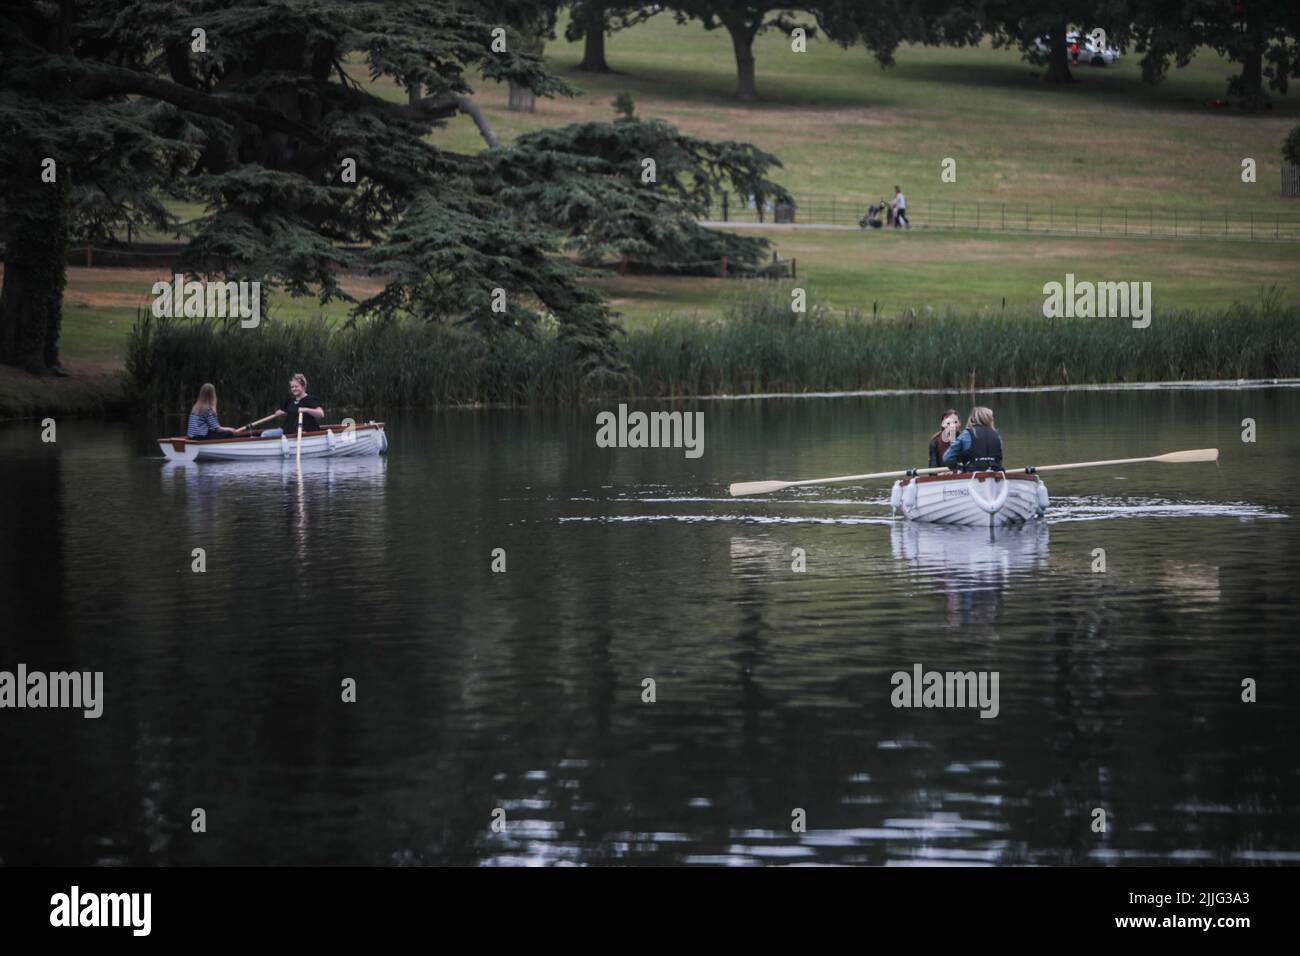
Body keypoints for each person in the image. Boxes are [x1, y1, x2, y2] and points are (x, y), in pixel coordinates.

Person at [262, 372, 325, 437]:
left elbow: (321, 414)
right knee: (266, 434)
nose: (294, 389)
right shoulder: (290, 401)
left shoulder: (310, 399)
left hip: (304, 433)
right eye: (292, 387)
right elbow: (288, 413)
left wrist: (306, 409)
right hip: (287, 431)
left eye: (296, 386)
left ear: (303, 386)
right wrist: (281, 413)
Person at [943, 406, 1003, 473]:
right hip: (996, 472)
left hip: (972, 473)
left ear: (973, 419)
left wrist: (959, 468)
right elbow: (999, 457)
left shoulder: (967, 434)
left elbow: (947, 458)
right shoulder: (997, 436)